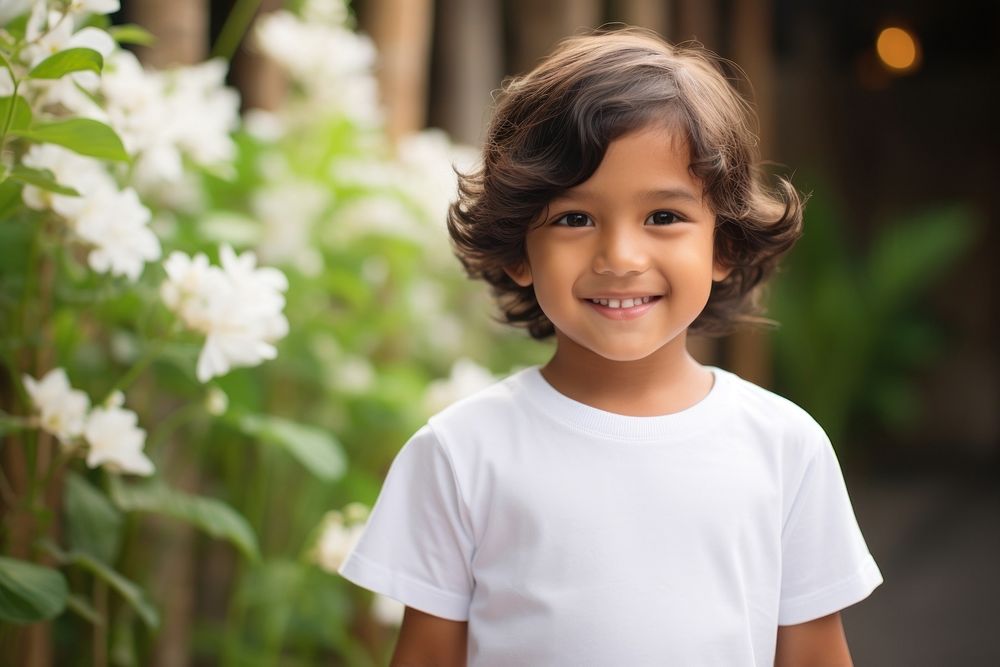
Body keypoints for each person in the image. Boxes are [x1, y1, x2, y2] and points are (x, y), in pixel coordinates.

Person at [338, 27, 882, 666]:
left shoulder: (786, 449)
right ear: (518, 250)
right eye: (575, 218)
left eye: (663, 217)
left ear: (725, 243)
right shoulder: (460, 454)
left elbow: (815, 654)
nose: (621, 257)